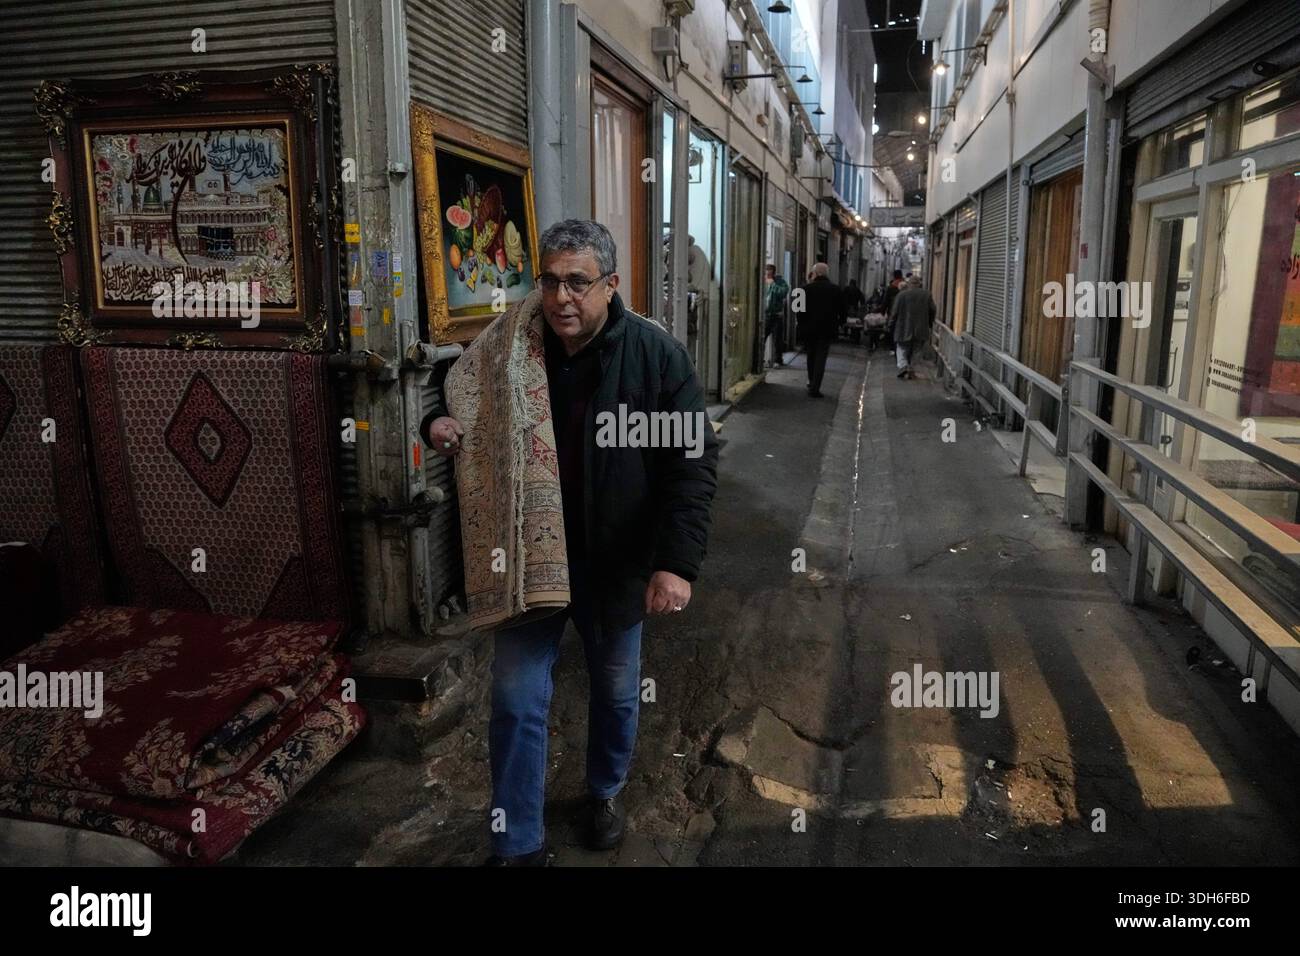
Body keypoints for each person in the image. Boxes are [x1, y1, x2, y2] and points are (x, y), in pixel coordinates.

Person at [421, 219, 719, 867]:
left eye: (578, 283)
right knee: (517, 697)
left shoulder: (654, 357)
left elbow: (690, 463)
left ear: (611, 285)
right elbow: (456, 384)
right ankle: (517, 843)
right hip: (529, 561)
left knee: (616, 694)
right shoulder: (511, 344)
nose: (561, 298)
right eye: (551, 281)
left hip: (616, 566)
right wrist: (435, 421)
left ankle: (603, 792)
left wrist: (675, 562)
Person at [797, 262, 844, 398]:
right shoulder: (836, 289)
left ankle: (811, 381)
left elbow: (797, 310)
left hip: (808, 329)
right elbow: (843, 309)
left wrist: (801, 324)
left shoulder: (804, 289)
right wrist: (840, 323)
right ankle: (815, 387)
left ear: (815, 273)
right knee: (821, 358)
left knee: (811, 356)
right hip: (827, 329)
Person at [889, 275, 936, 379]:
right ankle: (911, 370)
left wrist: (891, 324)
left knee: (901, 348)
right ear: (919, 284)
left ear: (909, 284)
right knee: (917, 350)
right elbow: (933, 310)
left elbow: (894, 312)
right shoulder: (926, 294)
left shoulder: (901, 295)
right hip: (921, 328)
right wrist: (929, 323)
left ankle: (903, 366)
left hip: (903, 328)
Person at [762, 263, 789, 368]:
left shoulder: (780, 282)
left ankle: (778, 359)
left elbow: (783, 293)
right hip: (765, 315)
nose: (768, 272)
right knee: (762, 337)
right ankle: (761, 359)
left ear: (773, 272)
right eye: (766, 270)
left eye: (770, 270)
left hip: (777, 315)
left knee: (778, 339)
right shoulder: (762, 281)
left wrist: (773, 284)